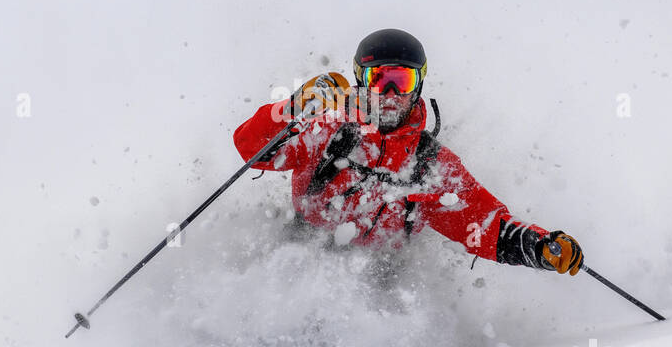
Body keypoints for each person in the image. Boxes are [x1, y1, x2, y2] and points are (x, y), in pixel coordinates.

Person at [232, 28, 584, 276]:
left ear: (418, 86)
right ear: (359, 80)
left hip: (378, 281)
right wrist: (296, 105)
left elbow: (483, 223)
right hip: (298, 255)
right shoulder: (326, 128)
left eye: (401, 81)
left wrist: (540, 247)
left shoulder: (429, 165)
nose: (389, 93)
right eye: (378, 79)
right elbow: (251, 148)